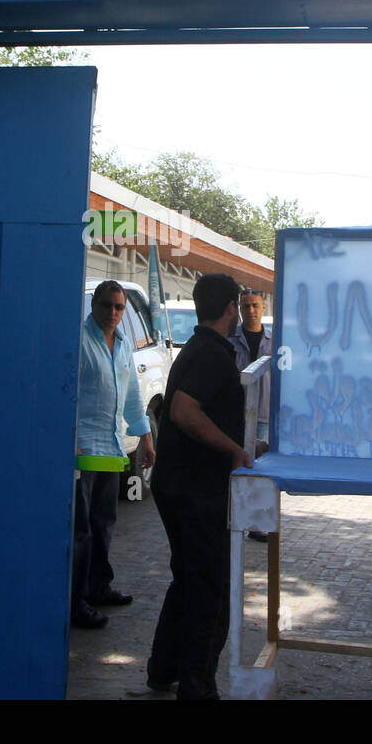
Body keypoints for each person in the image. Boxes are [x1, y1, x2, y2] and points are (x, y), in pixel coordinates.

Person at [147, 273, 253, 699]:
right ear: (230, 308)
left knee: (188, 580)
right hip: (197, 491)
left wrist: (247, 445)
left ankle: (164, 669)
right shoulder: (211, 356)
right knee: (210, 590)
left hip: (176, 485)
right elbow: (185, 412)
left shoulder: (197, 350)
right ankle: (197, 686)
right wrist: (233, 450)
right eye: (239, 306)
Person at [73, 280, 153, 629]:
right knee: (80, 531)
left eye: (119, 307)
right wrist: (69, 439)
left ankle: (99, 587)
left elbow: (133, 396)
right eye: (107, 305)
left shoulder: (122, 345)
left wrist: (146, 438)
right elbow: (65, 392)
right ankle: (75, 602)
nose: (114, 313)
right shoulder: (77, 340)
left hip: (111, 448)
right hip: (83, 450)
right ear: (94, 305)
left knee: (104, 523)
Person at [229, 287, 273, 543]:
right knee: (238, 466)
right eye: (246, 306)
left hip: (264, 414)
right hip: (237, 414)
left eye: (255, 305)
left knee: (262, 469)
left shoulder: (273, 341)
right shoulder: (231, 340)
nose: (251, 311)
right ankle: (236, 519)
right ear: (239, 309)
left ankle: (258, 523)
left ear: (264, 308)